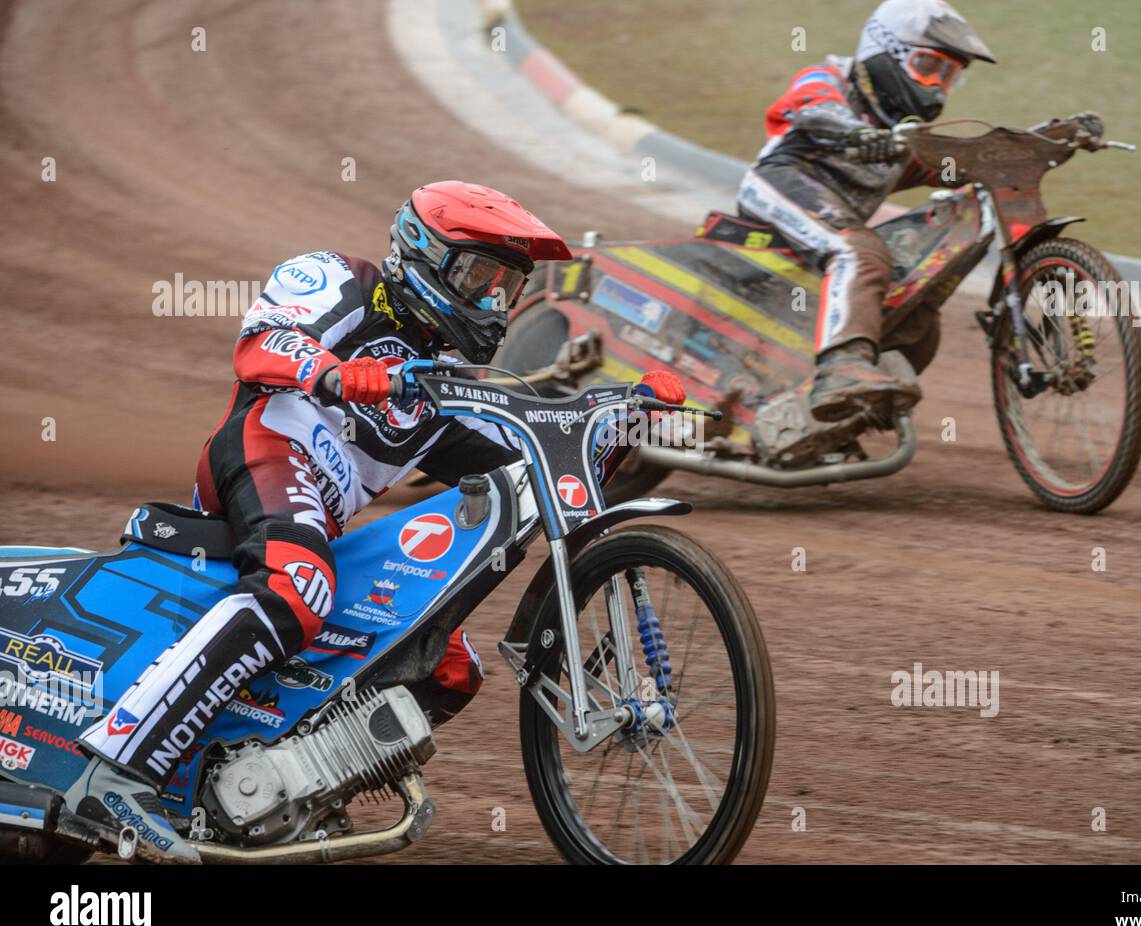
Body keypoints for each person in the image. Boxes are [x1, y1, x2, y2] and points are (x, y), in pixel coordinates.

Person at [63, 181, 685, 861]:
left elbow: (544, 466)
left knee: (446, 666)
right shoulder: (339, 279)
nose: (493, 301)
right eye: (479, 277)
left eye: (505, 286)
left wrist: (623, 415)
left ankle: (284, 786)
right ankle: (116, 768)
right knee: (299, 587)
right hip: (266, 447)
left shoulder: (444, 388)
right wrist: (333, 373)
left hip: (320, 523)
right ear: (424, 254)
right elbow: (260, 344)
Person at [737, 0, 995, 422]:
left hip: (832, 222)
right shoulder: (829, 78)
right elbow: (815, 110)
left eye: (948, 75)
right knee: (860, 251)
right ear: (885, 50)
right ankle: (840, 372)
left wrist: (1027, 148)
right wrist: (857, 132)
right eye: (927, 65)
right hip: (778, 187)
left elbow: (939, 167)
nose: (936, 86)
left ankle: (849, 412)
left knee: (916, 303)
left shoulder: (900, 134)